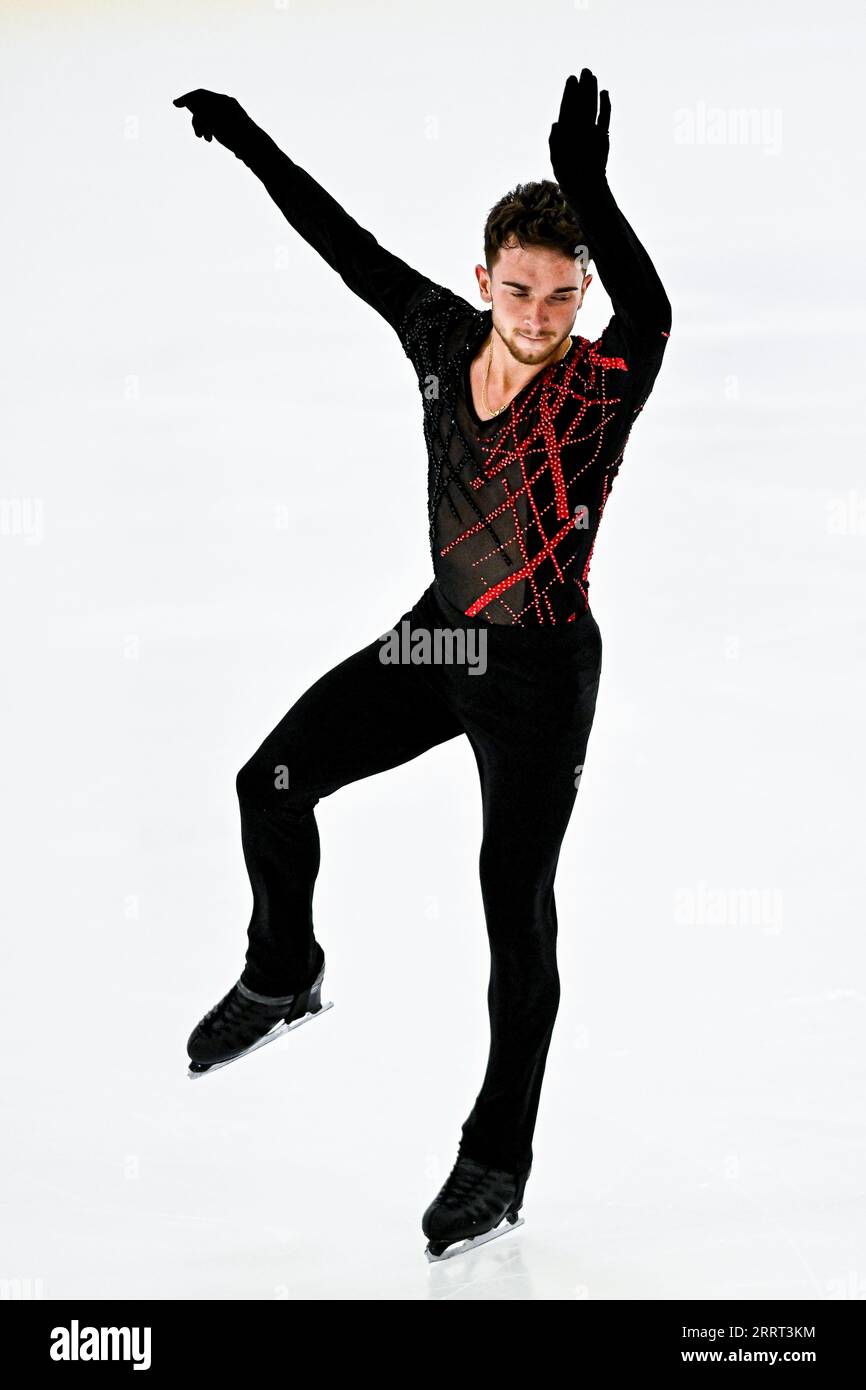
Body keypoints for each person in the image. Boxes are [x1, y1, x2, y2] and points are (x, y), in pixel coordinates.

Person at [173, 68, 672, 1262]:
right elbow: (338, 238)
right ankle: (283, 970)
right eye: (520, 288)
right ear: (485, 272)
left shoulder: (599, 389)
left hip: (538, 680)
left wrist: (592, 189)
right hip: (442, 635)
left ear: (580, 287)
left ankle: (495, 1160)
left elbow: (649, 312)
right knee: (271, 782)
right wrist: (247, 135)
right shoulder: (442, 338)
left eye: (563, 293)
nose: (542, 314)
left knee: (516, 919)